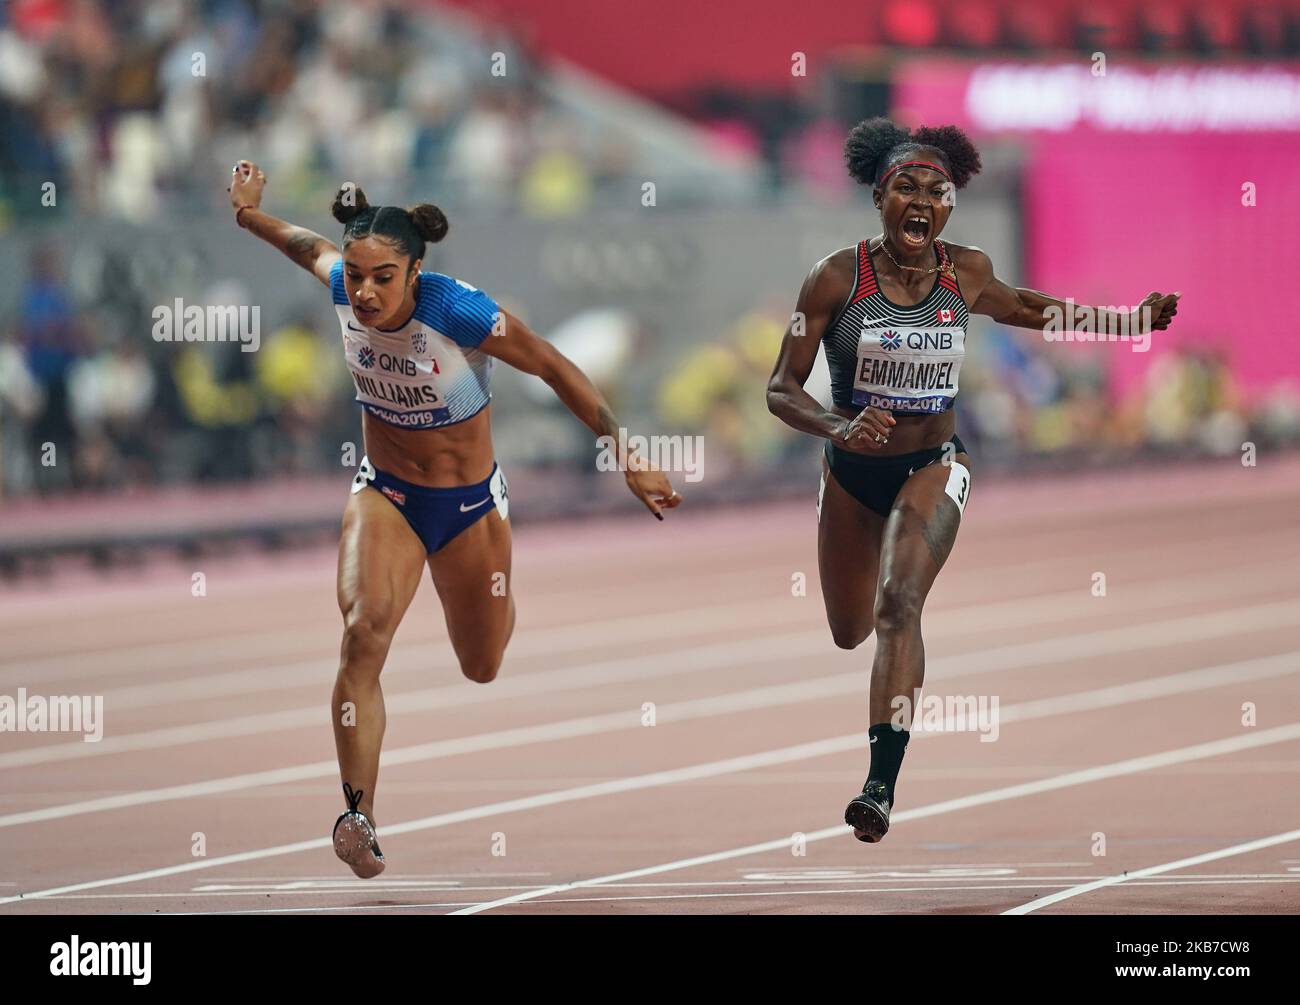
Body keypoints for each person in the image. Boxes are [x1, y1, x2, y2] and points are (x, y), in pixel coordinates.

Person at [228, 161, 682, 876]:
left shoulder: (460, 311)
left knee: (482, 663)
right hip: (387, 495)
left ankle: (496, 590)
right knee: (362, 633)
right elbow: (303, 243)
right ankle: (358, 813)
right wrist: (248, 214)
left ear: (415, 272)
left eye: (383, 276)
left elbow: (555, 364)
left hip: (469, 505)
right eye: (356, 274)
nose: (365, 291)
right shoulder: (341, 284)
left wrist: (626, 449)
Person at [765, 119, 1178, 842]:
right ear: (879, 198)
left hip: (934, 464)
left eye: (937, 189)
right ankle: (879, 729)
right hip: (850, 471)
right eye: (906, 187)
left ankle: (879, 786)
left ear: (950, 205)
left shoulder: (967, 272)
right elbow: (780, 389)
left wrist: (1128, 322)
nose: (922, 200)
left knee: (900, 604)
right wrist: (839, 428)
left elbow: (1034, 309)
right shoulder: (836, 277)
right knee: (849, 628)